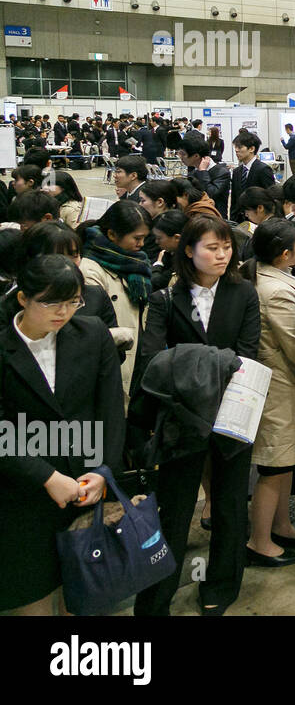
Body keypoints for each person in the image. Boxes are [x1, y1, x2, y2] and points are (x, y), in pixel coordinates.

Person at [132, 215, 261, 616]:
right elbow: (153, 362)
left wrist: (192, 364)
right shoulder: (164, 298)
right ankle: (156, 599)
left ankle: (221, 585)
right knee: (174, 510)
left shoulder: (244, 294)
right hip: (180, 419)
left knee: (229, 506)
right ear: (188, 250)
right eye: (212, 248)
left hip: (231, 412)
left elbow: (248, 356)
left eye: (227, 248)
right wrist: (217, 362)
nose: (222, 255)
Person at [0, 255, 126, 615]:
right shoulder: (5, 347)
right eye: (52, 302)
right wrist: (47, 477)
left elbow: (111, 411)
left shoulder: (93, 335)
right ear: (23, 298)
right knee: (32, 597)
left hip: (86, 484)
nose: (63, 312)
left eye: (73, 301)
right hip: (21, 491)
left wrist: (104, 472)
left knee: (85, 594)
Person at [240, 218, 295, 569]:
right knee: (274, 466)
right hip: (280, 387)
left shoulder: (262, 276)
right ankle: (260, 541)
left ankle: (282, 524)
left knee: (286, 462)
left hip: (280, 385)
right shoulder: (277, 291)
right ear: (286, 254)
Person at [77, 201, 153, 400]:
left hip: (136, 354)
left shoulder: (137, 263)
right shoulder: (90, 270)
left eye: (145, 238)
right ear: (112, 235)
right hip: (111, 357)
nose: (142, 244)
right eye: (137, 238)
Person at [179, 131, 231, 220]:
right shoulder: (194, 171)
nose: (181, 157)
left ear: (196, 156)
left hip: (214, 220)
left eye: (183, 154)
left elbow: (210, 194)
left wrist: (203, 171)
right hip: (196, 217)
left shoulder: (222, 172)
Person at [230, 131, 276, 220]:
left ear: (251, 149)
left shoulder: (263, 170)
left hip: (258, 219)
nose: (236, 150)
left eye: (239, 147)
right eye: (235, 147)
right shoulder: (237, 171)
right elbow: (234, 200)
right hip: (239, 221)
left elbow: (271, 197)